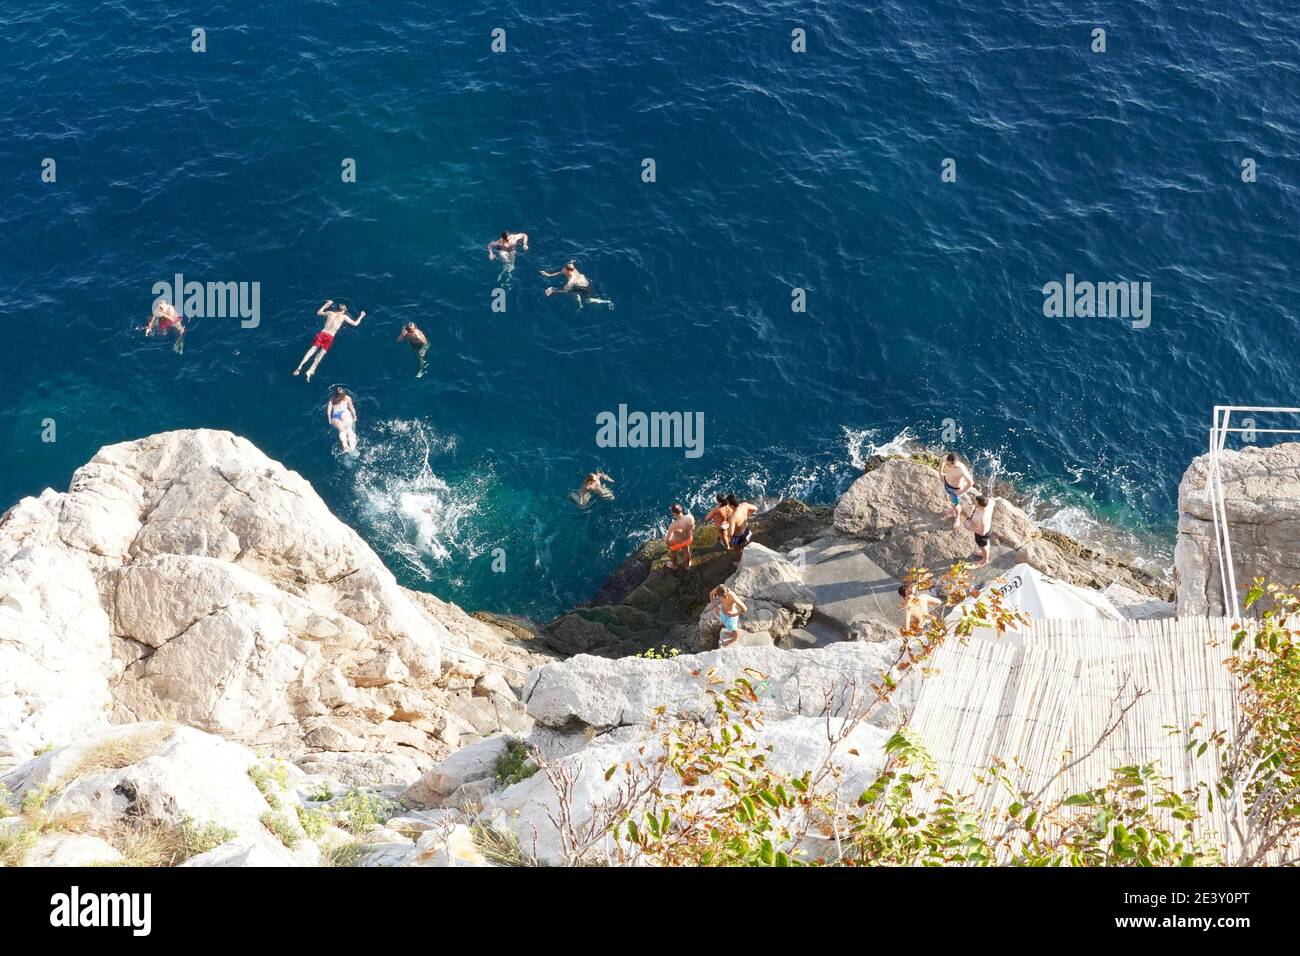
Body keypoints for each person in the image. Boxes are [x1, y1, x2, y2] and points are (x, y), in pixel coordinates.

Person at [294, 300, 365, 382]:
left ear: (337, 309)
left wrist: (327, 304)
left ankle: (300, 366)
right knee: (320, 356)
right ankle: (310, 370)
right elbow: (355, 324)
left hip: (322, 334)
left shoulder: (330, 313)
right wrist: (361, 316)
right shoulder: (344, 317)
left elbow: (319, 312)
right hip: (329, 337)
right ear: (344, 310)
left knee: (311, 350)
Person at [540, 262, 613, 308]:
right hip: (585, 281)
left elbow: (566, 291)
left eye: (564, 269)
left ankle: (606, 301)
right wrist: (549, 275)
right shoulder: (569, 269)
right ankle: (578, 296)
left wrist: (553, 291)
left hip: (584, 287)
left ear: (567, 270)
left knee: (587, 300)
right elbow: (560, 272)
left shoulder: (571, 281)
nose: (563, 269)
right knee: (573, 291)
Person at [940, 453, 976, 530]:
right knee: (952, 502)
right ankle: (952, 510)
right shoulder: (945, 458)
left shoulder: (961, 469)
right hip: (946, 484)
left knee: (956, 505)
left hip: (955, 489)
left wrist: (961, 491)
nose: (954, 466)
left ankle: (957, 518)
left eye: (955, 464)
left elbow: (971, 482)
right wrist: (940, 473)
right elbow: (942, 460)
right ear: (948, 461)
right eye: (951, 464)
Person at [965, 494, 997, 568]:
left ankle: (985, 560)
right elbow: (992, 500)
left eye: (977, 502)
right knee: (986, 544)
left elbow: (983, 533)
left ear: (980, 505)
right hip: (989, 527)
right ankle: (984, 552)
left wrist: (970, 528)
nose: (975, 502)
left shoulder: (983, 518)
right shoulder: (990, 503)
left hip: (982, 534)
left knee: (982, 546)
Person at [326, 387, 358, 454]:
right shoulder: (347, 398)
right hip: (344, 413)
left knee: (342, 431)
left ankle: (345, 445)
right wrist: (354, 416)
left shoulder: (332, 400)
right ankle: (352, 448)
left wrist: (329, 419)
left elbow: (329, 411)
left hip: (335, 416)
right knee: (349, 430)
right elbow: (351, 408)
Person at [665, 503, 695, 572]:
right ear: (681, 510)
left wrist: (669, 544)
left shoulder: (673, 525)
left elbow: (667, 541)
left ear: (674, 513)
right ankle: (687, 566)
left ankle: (674, 566)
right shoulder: (690, 517)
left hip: (677, 543)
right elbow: (693, 527)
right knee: (686, 550)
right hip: (688, 539)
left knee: (672, 552)